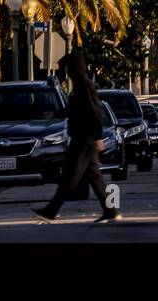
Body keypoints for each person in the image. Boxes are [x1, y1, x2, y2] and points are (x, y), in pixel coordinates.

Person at [32, 49, 119, 223]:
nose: (67, 72)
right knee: (95, 178)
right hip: (81, 138)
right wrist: (56, 113)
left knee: (69, 177)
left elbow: (94, 112)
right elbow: (75, 110)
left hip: (85, 140)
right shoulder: (79, 87)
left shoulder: (86, 86)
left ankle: (51, 211)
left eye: (69, 68)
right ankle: (110, 210)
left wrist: (98, 136)